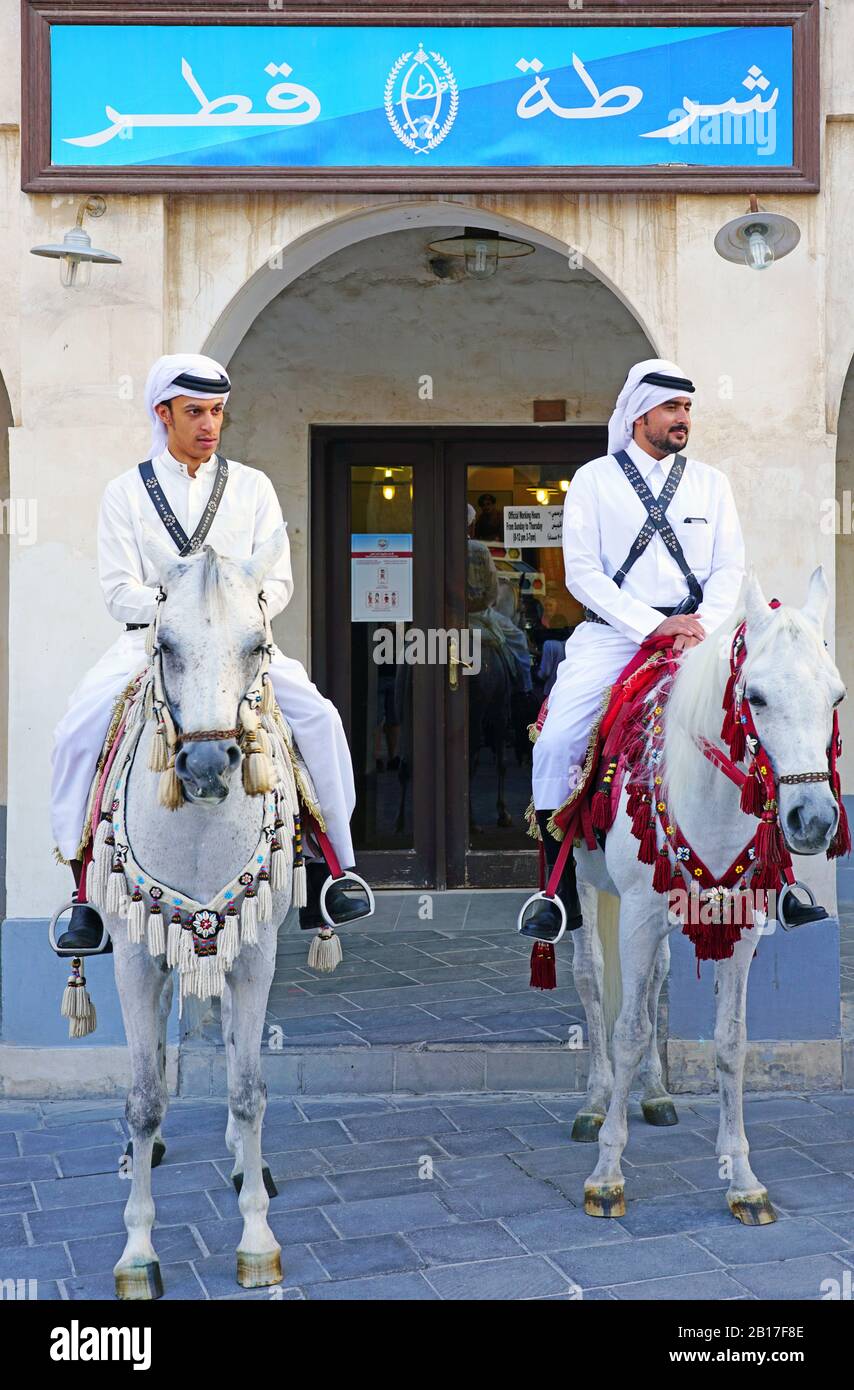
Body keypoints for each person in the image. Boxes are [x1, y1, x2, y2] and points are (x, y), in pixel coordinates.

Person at [51, 353, 370, 949]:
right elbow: (119, 591)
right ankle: (81, 891)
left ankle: (334, 868)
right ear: (163, 414)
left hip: (241, 648)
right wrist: (180, 616)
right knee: (76, 730)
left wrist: (235, 614)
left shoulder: (253, 487)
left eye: (217, 412)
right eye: (194, 412)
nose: (209, 425)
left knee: (320, 719)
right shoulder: (125, 493)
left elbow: (278, 581)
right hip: (152, 647)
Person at [526, 357, 746, 938]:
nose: (683, 419)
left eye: (688, 409)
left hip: (699, 636)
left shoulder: (711, 484)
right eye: (672, 408)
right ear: (637, 415)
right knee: (555, 743)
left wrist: (701, 625)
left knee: (759, 720)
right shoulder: (593, 481)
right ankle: (557, 890)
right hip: (612, 638)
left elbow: (730, 569)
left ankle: (779, 879)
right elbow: (582, 574)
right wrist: (651, 626)